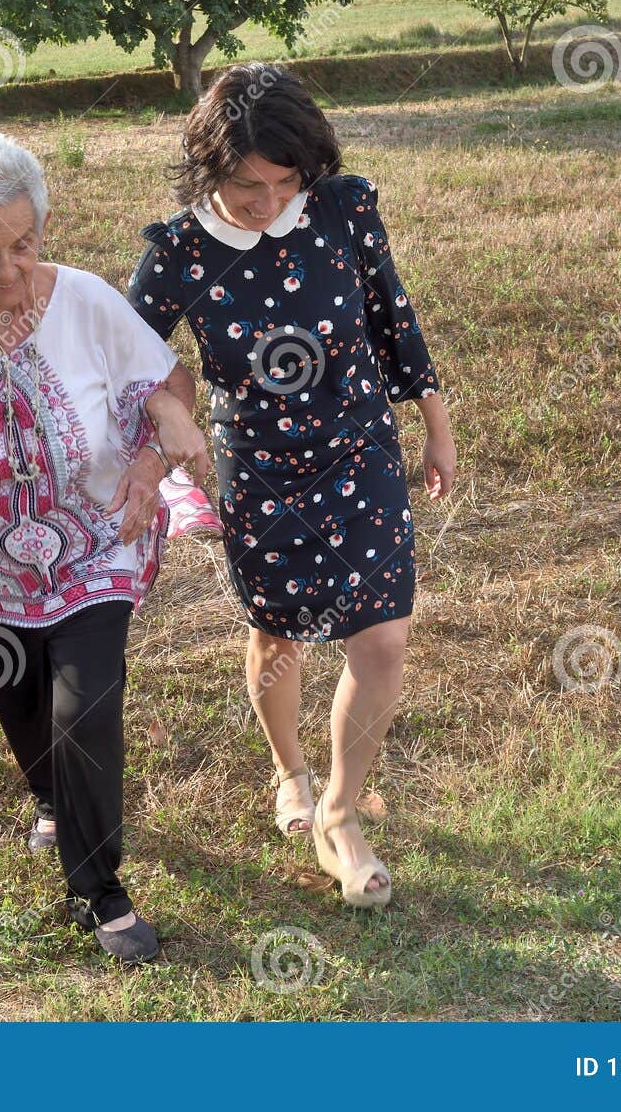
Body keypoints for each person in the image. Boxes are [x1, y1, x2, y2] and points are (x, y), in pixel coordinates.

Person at [0, 132, 208, 960]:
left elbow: (169, 383)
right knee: (24, 713)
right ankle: (55, 798)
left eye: (25, 244)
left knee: (83, 705)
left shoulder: (86, 300)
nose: (11, 269)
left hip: (96, 543)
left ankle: (101, 894)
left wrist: (152, 453)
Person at [127, 64, 458, 908]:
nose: (268, 200)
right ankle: (291, 771)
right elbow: (130, 361)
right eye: (245, 185)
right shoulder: (181, 250)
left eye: (285, 181)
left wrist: (434, 414)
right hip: (260, 467)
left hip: (360, 450)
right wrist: (171, 413)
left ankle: (339, 816)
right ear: (209, 170)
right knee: (279, 637)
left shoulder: (344, 207)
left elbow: (391, 311)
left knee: (382, 639)